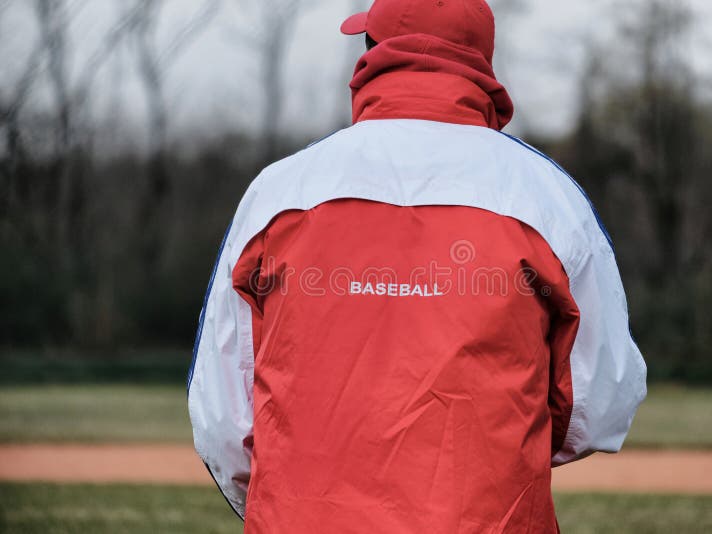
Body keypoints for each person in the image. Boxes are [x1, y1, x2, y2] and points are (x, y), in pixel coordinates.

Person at [187, 0, 647, 532]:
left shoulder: (279, 191)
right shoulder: (546, 197)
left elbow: (223, 416)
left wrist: (292, 502)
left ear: (373, 53)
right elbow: (600, 402)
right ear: (480, 60)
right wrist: (496, 459)